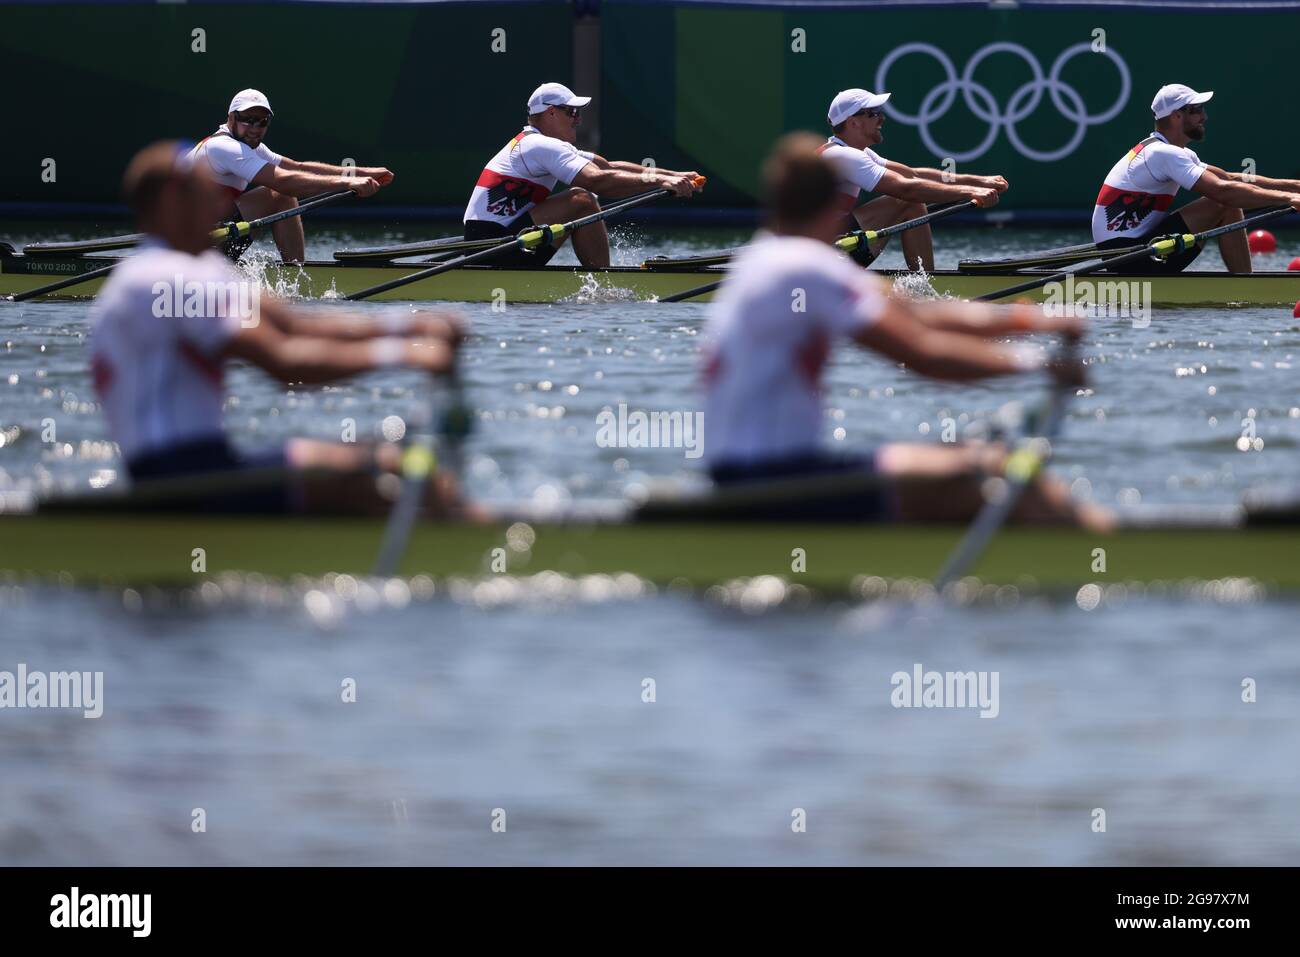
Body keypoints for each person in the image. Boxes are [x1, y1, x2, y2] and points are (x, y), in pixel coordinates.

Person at [701, 133, 1111, 529]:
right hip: (770, 482)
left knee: (975, 465)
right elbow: (922, 353)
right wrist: (1039, 363)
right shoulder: (805, 267)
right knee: (995, 474)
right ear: (832, 206)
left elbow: (915, 311)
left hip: (756, 470)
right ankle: (1106, 558)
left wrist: (1030, 321)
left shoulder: (766, 256)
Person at [91, 141, 466, 517]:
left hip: (208, 462)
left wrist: (412, 326)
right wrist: (408, 354)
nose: (222, 205)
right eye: (208, 193)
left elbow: (294, 324)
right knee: (377, 471)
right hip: (173, 479)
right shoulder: (161, 279)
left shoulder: (200, 269)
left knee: (403, 468)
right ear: (173, 202)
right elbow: (283, 362)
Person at [463, 82, 703, 267]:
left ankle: (599, 279)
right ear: (550, 113)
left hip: (502, 241)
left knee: (582, 197)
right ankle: (605, 283)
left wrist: (674, 174)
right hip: (490, 245)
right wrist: (661, 181)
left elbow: (606, 167)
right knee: (582, 200)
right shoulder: (538, 145)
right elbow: (596, 181)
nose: (578, 120)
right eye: (571, 112)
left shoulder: (540, 143)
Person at [1092, 83, 1300, 273]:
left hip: (1137, 248)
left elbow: (1228, 178)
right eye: (1197, 110)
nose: (1204, 117)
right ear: (1177, 116)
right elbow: (1222, 190)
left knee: (1227, 199)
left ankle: (1245, 280)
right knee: (1224, 202)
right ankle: (1246, 285)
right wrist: (1288, 199)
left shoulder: (1169, 150)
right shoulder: (1162, 153)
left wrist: (1294, 187)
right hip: (1128, 257)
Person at [185, 89, 395, 262]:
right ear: (231, 118)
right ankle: (299, 275)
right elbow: (284, 181)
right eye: (248, 120)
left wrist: (363, 172)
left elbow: (297, 167)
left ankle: (295, 270)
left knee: (280, 194)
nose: (255, 128)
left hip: (205, 235)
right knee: (280, 195)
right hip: (189, 247)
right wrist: (347, 182)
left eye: (262, 121)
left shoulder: (248, 145)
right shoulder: (224, 147)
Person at [820, 88, 1008, 270]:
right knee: (908, 201)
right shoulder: (843, 156)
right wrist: (970, 192)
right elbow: (906, 189)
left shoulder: (855, 152)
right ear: (854, 123)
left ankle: (925, 282)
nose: (882, 117)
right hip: (822, 255)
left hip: (830, 247)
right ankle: (926, 288)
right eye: (874, 113)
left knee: (912, 200)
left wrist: (979, 182)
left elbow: (913, 175)